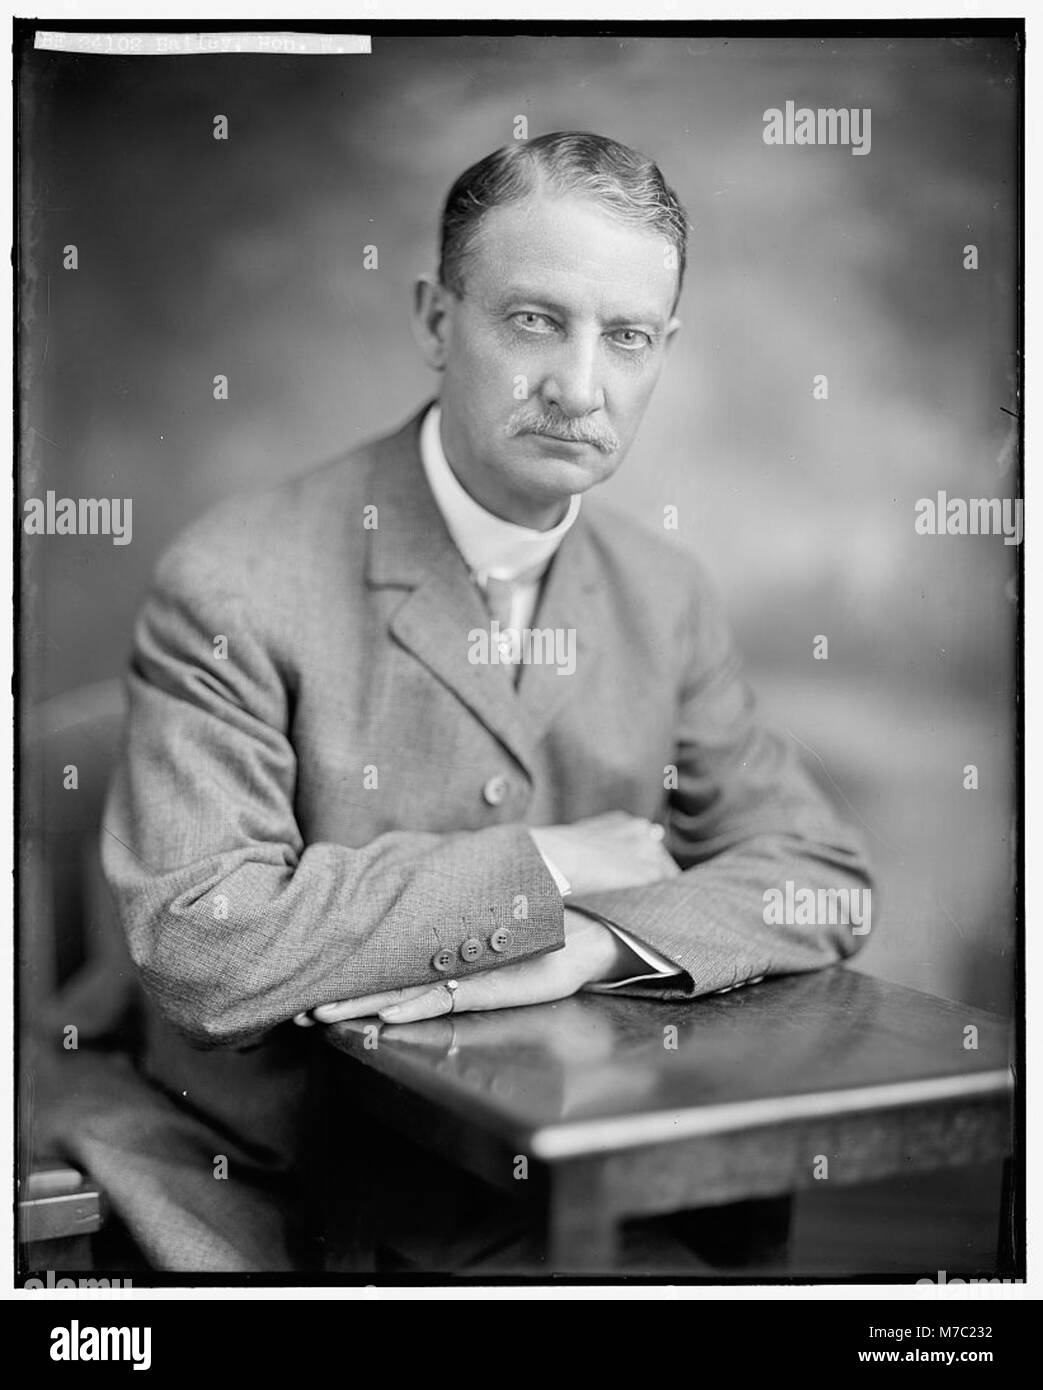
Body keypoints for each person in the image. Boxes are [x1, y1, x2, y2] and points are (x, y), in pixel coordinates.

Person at [90, 131, 871, 1270]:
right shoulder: (234, 577)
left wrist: (596, 941)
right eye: (532, 319)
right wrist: (548, 863)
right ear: (432, 320)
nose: (578, 386)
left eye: (627, 337)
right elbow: (204, 943)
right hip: (300, 1191)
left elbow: (820, 877)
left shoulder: (664, 596)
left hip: (585, 1181)